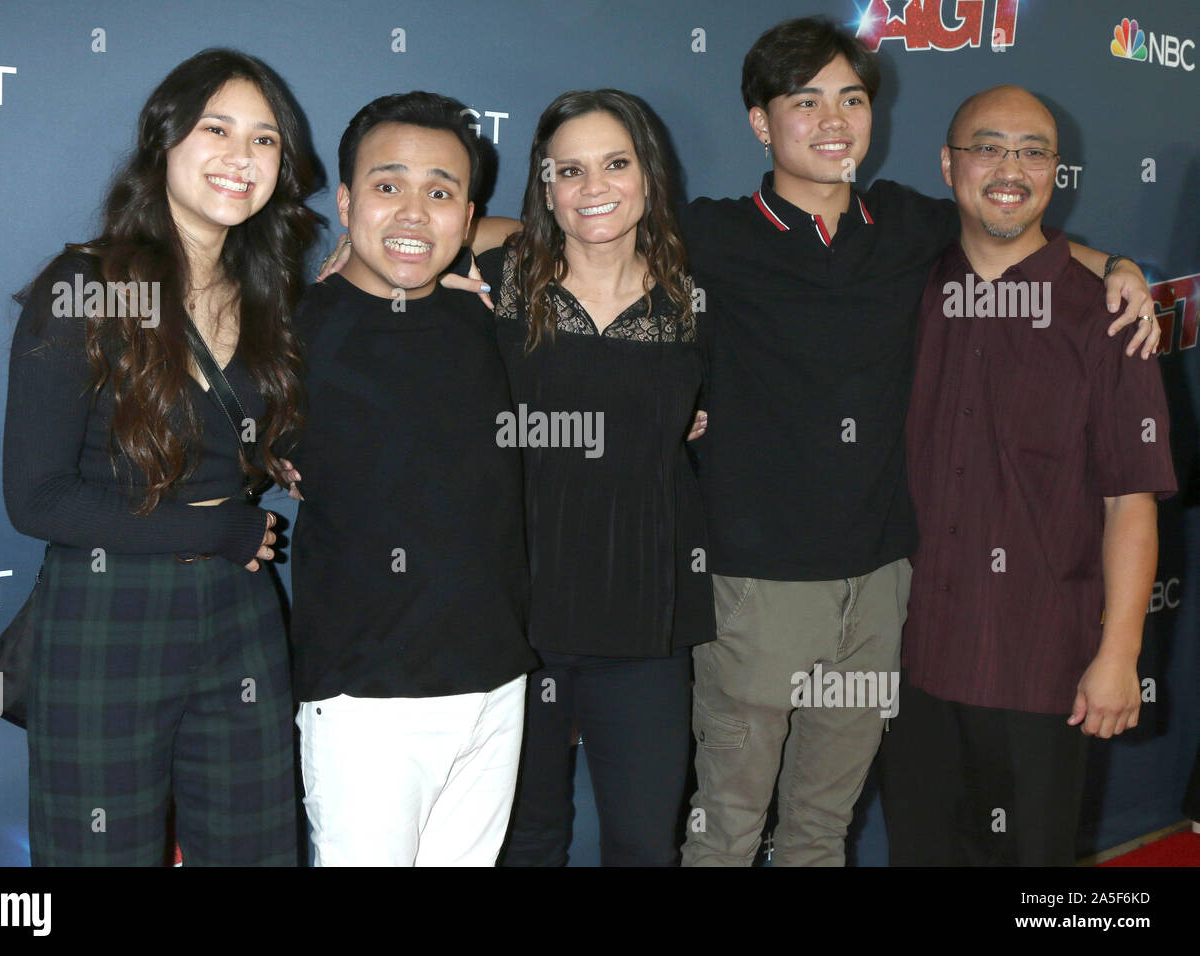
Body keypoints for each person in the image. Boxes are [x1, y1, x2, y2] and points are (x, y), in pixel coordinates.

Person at [460, 15, 1160, 868]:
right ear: (760, 122)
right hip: (751, 590)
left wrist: (1117, 265)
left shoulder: (908, 225)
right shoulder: (706, 238)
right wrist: (427, 238)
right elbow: (558, 230)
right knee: (725, 827)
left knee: (821, 831)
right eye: (806, 100)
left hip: (879, 591)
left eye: (852, 98)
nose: (834, 120)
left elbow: (1013, 225)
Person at [3, 48, 320, 865]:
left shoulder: (268, 296)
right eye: (217, 129)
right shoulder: (86, 286)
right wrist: (218, 531)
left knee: (257, 850)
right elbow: (36, 498)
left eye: (264, 140)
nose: (240, 157)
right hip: (110, 615)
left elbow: (253, 431)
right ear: (164, 141)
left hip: (240, 616)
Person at [878, 86, 1176, 866]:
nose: (1011, 167)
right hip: (910, 659)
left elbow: (1130, 503)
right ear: (949, 165)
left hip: (1045, 665)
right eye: (988, 146)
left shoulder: (1108, 318)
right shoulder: (899, 285)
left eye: (1034, 150)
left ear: (1057, 171)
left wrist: (1120, 656)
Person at [285, 92, 538, 866]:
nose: (413, 212)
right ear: (346, 200)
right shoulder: (289, 332)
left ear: (467, 216)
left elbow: (573, 233)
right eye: (388, 185)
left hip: (495, 685)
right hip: (363, 703)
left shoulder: (489, 316)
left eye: (440, 192)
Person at [471, 90, 714, 866]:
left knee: (645, 843)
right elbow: (407, 234)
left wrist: (1106, 263)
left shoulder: (698, 292)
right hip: (521, 617)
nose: (594, 186)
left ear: (649, 172)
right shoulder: (497, 278)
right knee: (527, 838)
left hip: (646, 619)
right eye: (569, 170)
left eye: (615, 163)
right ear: (546, 186)